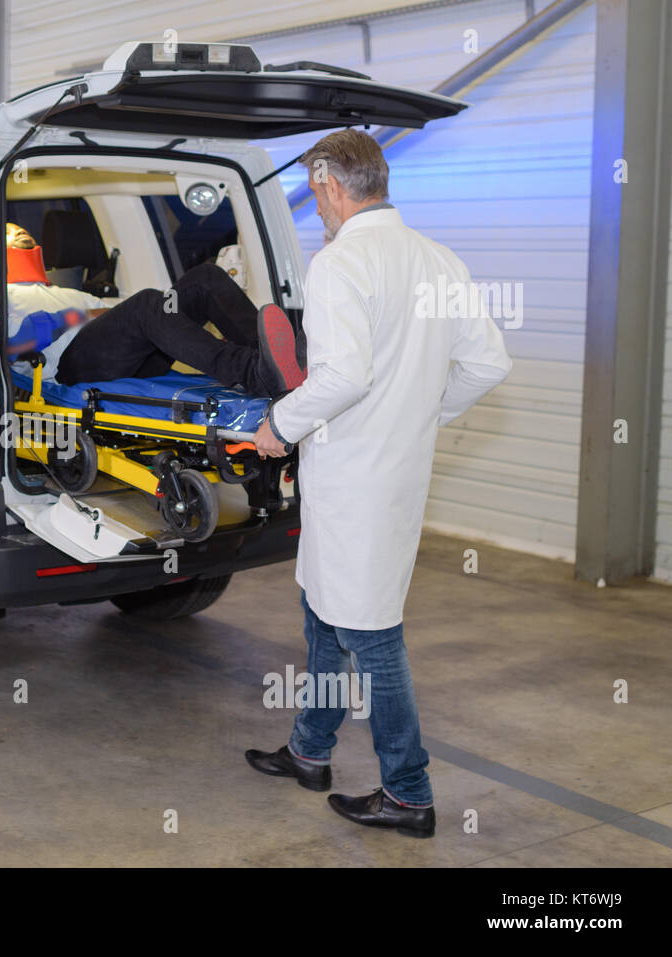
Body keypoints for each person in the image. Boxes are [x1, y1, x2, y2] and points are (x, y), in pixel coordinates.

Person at [245, 130, 512, 838]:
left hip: (353, 477)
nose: (317, 208)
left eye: (314, 192)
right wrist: (424, 412)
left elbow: (343, 375)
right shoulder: (438, 260)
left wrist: (279, 424)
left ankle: (408, 789)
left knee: (373, 634)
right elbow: (487, 363)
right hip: (390, 475)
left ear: (333, 185)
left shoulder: (339, 264)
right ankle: (309, 749)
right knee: (324, 611)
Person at [4, 223, 304, 395]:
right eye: (9, 233)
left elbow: (117, 316)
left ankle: (273, 362)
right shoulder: (1, 298)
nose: (19, 233)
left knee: (205, 278)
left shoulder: (65, 292)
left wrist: (106, 313)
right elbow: (16, 345)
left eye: (20, 232)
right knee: (147, 302)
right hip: (72, 366)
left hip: (130, 355)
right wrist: (80, 316)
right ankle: (252, 371)